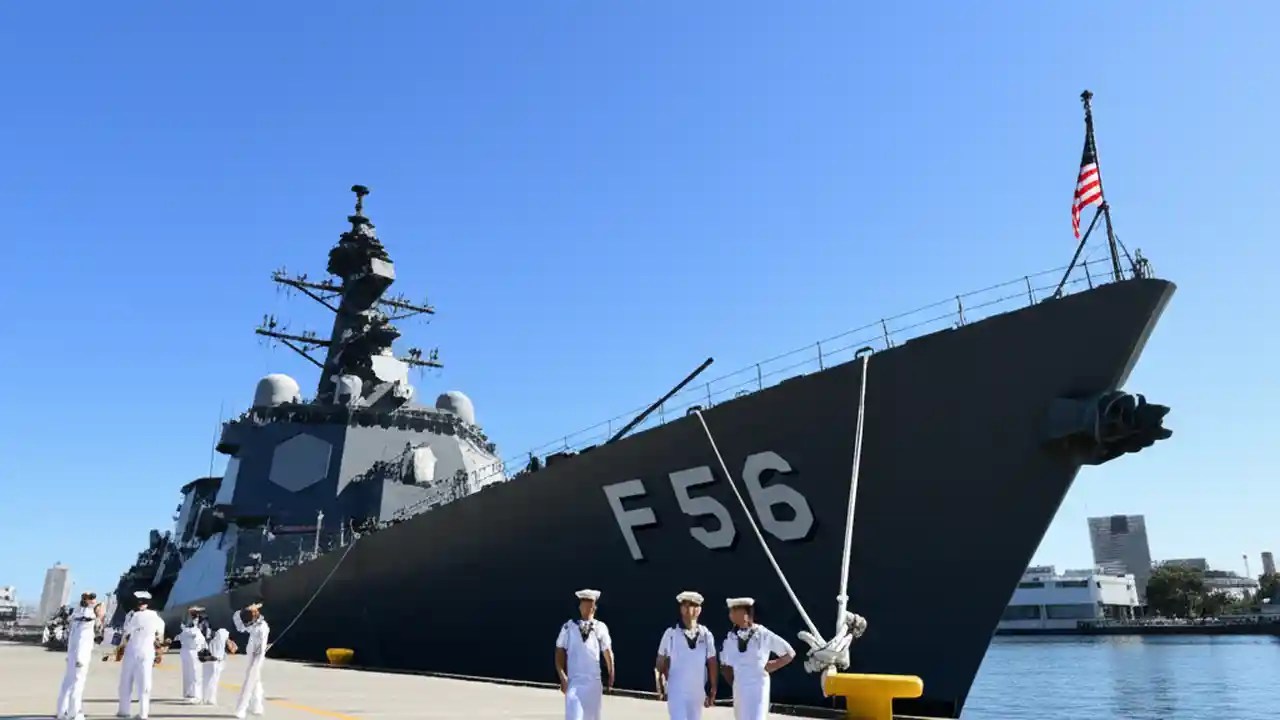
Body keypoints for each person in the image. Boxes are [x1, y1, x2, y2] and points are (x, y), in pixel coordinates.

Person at [718, 598, 794, 720]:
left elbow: (789, 653)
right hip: (740, 691)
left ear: (746, 613)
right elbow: (725, 666)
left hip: (758, 690)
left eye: (734, 611)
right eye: (730, 611)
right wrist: (736, 683)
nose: (731, 614)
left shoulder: (763, 634)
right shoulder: (730, 639)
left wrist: (771, 665)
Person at [655, 591, 717, 720]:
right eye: (686, 605)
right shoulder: (671, 633)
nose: (690, 609)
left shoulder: (706, 635)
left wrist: (713, 687)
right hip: (677, 692)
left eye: (694, 605)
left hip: (697, 693)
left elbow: (712, 662)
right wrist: (660, 683)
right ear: (681, 609)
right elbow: (660, 662)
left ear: (699, 610)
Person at [554, 589, 614, 720]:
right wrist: (562, 676)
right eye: (584, 603)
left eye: (590, 604)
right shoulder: (568, 627)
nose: (587, 607)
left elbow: (607, 650)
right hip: (574, 681)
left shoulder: (600, 627)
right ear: (580, 607)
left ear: (594, 607)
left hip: (593, 682)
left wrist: (611, 671)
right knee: (574, 716)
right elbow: (559, 650)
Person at [116, 590, 166, 720]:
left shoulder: (133, 616)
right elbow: (160, 634)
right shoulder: (155, 617)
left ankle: (127, 711)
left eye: (142, 602)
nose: (140, 604)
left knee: (131, 682)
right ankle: (139, 712)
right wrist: (159, 652)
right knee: (140, 682)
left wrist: (120, 650)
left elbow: (126, 634)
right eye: (139, 602)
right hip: (143, 651)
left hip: (136, 651)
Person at [55, 591, 104, 720]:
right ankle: (74, 712)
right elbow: (84, 638)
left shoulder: (77, 612)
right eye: (91, 598)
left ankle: (61, 711)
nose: (94, 600)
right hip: (81, 655)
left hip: (72, 654)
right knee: (78, 683)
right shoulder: (88, 615)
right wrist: (80, 659)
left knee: (67, 682)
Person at [232, 602, 270, 719]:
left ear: (256, 613)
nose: (251, 614)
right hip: (251, 657)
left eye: (253, 612)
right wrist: (239, 612)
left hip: (256, 658)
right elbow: (240, 627)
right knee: (256, 682)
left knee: (249, 682)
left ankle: (241, 709)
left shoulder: (262, 626)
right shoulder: (253, 625)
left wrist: (255, 661)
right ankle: (257, 706)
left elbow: (260, 647)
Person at [178, 607, 208, 703]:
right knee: (187, 673)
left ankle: (197, 696)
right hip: (186, 649)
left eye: (194, 612)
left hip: (196, 649)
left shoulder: (203, 622)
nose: (192, 614)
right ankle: (188, 693)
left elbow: (205, 634)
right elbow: (183, 628)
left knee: (196, 673)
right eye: (191, 612)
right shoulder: (187, 621)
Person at [200, 625, 236, 705]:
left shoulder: (223, 630)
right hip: (213, 657)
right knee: (211, 679)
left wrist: (230, 644)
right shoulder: (219, 630)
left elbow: (228, 643)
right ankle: (207, 698)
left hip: (214, 658)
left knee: (210, 679)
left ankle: (207, 697)